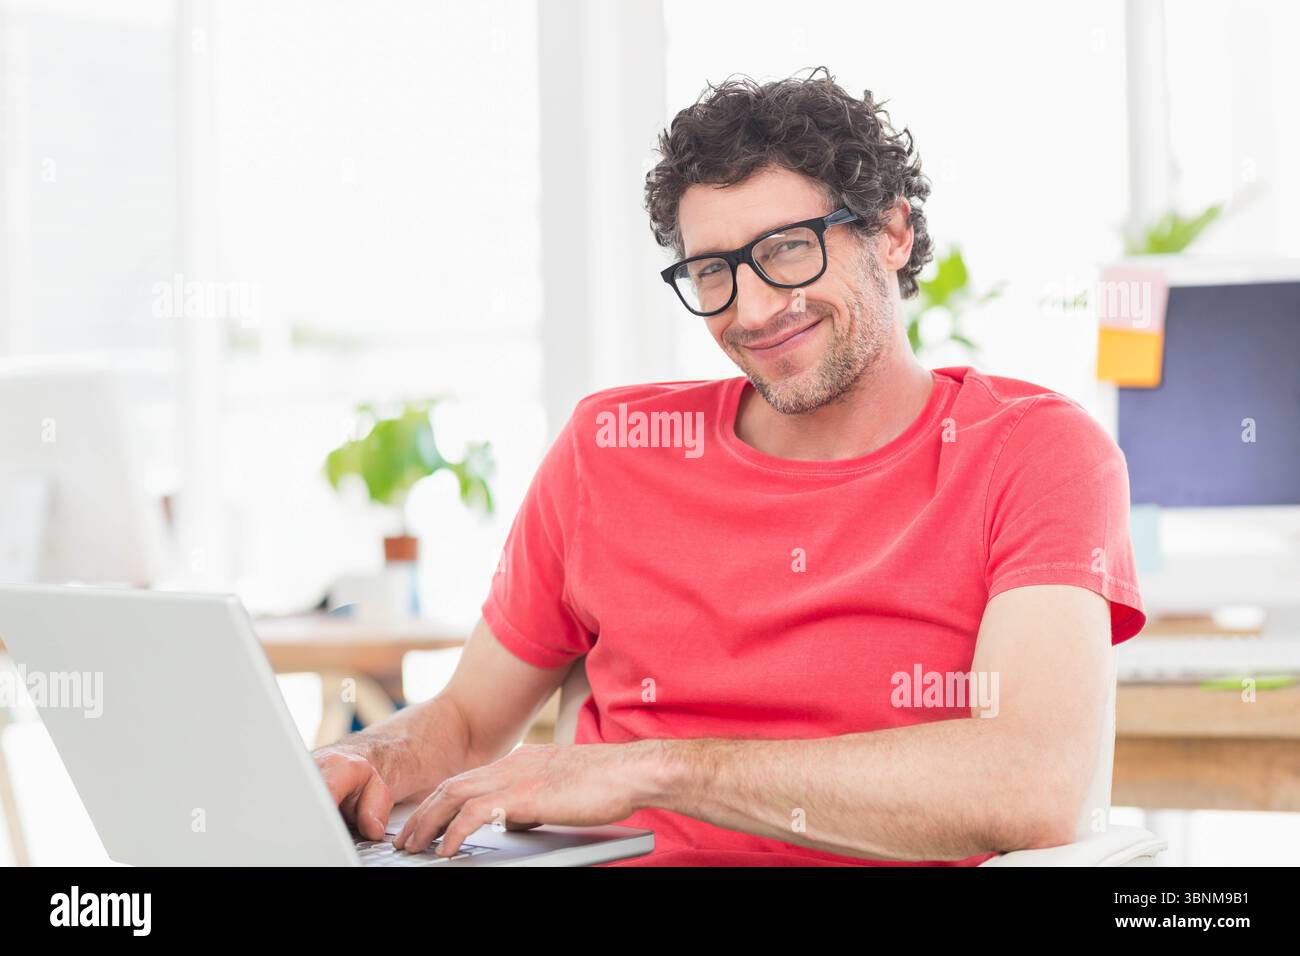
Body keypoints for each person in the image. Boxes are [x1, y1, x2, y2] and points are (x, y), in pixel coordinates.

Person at [314, 68, 1145, 866]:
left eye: (788, 250)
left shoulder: (1033, 451)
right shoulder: (610, 447)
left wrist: (650, 770)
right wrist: (374, 759)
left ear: (892, 233)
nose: (751, 312)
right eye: (713, 270)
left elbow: (1029, 783)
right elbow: (464, 719)